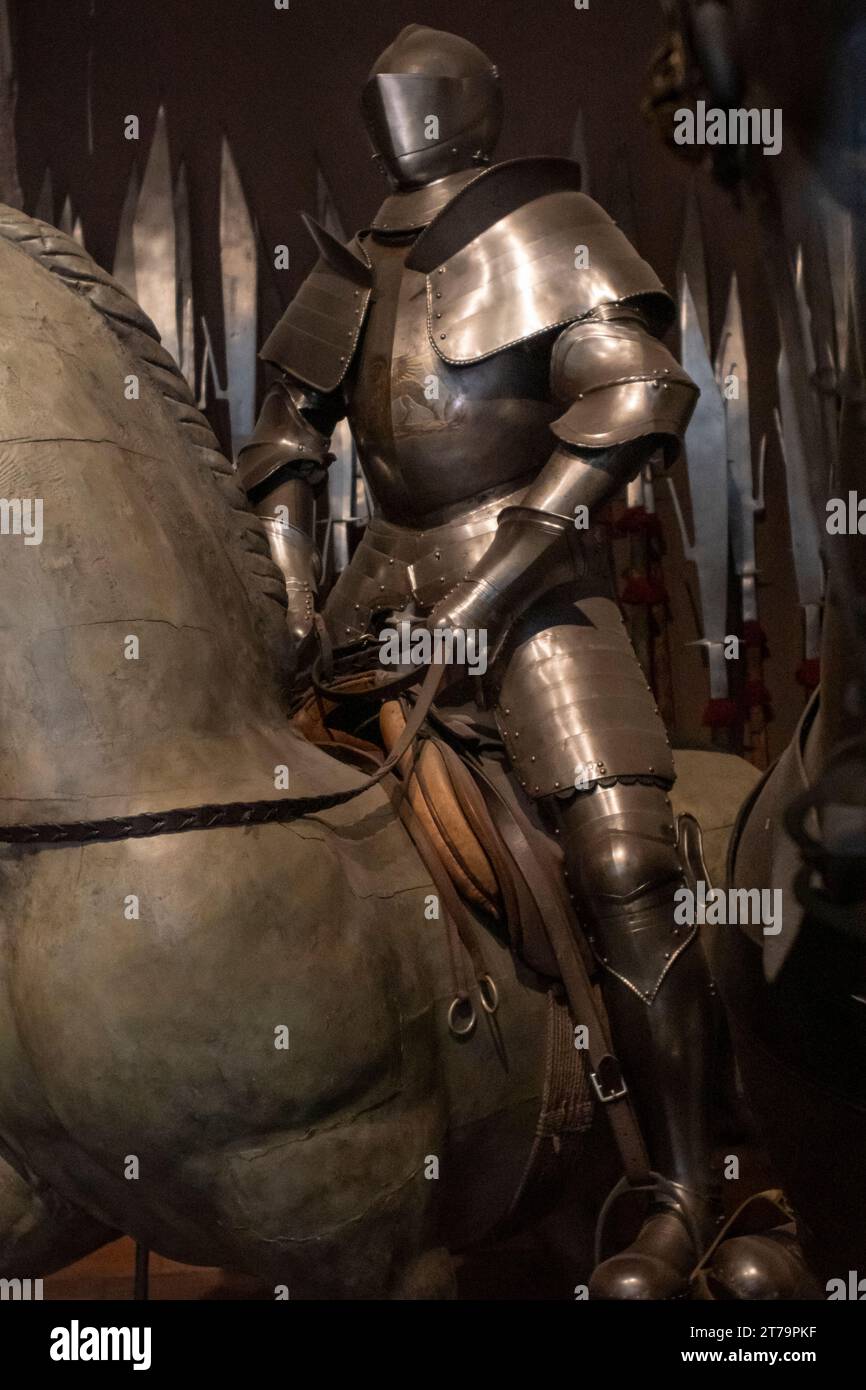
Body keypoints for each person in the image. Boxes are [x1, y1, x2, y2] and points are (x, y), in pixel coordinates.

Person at [238, 24, 717, 1299]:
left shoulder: (547, 225)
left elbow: (626, 397)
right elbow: (284, 441)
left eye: (419, 97)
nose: (401, 115)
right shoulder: (353, 264)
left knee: (623, 854)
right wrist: (292, 592)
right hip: (365, 595)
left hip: (532, 599)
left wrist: (495, 579)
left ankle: (690, 1181)